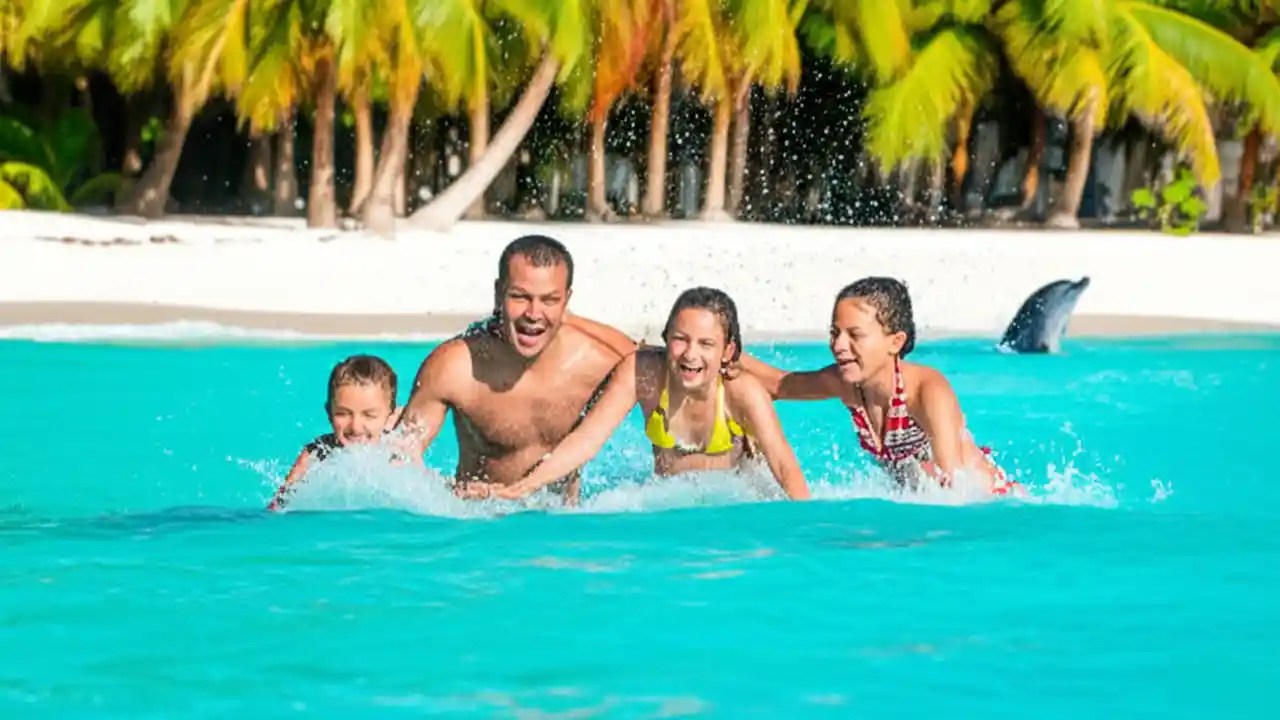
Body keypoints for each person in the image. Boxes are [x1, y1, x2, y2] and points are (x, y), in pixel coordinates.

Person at [462, 287, 811, 501]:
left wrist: (806, 527)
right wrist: (521, 487)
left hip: (734, 506)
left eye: (706, 344)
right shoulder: (643, 372)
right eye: (680, 339)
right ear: (665, 338)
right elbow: (588, 439)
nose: (691, 354)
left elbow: (783, 466)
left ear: (728, 350)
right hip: (671, 504)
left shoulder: (742, 392)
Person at [392, 234, 636, 505]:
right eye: (520, 297)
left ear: (566, 300)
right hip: (480, 527)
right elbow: (399, 469)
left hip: (564, 530)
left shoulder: (601, 360)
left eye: (549, 300)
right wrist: (451, 490)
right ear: (499, 293)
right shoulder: (455, 368)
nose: (533, 313)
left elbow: (672, 385)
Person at [740, 277, 1019, 495]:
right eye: (835, 333)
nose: (838, 345)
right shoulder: (846, 384)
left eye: (855, 335)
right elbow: (779, 384)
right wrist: (722, 350)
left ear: (895, 342)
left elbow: (955, 487)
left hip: (994, 507)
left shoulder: (927, 391)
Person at [268, 354, 402, 511]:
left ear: (389, 417)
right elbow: (279, 503)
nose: (356, 427)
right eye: (343, 414)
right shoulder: (317, 452)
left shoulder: (394, 450)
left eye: (369, 415)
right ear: (329, 413)